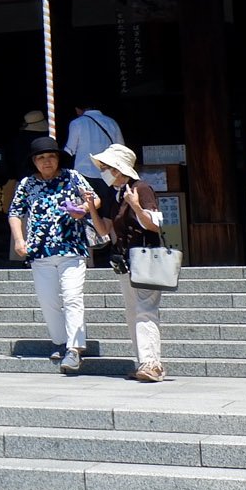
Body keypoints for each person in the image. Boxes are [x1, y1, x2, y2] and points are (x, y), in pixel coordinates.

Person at [9, 136, 105, 374]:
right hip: (40, 252)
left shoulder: (72, 177)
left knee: (72, 297)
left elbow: (95, 199)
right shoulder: (27, 184)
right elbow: (15, 212)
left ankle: (74, 349)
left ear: (58, 158)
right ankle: (60, 342)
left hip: (72, 248)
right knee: (48, 301)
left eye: (50, 156)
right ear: (34, 161)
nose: (46, 161)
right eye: (40, 158)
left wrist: (84, 208)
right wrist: (19, 240)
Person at [95, 143, 167, 382]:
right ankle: (144, 362)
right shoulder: (115, 194)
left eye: (106, 167)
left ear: (118, 168)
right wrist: (90, 210)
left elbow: (154, 224)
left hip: (146, 256)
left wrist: (135, 205)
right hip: (126, 259)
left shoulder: (141, 189)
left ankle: (151, 363)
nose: (103, 170)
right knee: (133, 312)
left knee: (145, 310)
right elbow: (105, 230)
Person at [63, 102, 123, 210]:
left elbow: (69, 150)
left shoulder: (77, 123)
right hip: (108, 175)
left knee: (87, 211)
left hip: (84, 175)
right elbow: (121, 148)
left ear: (77, 110)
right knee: (108, 213)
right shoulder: (111, 122)